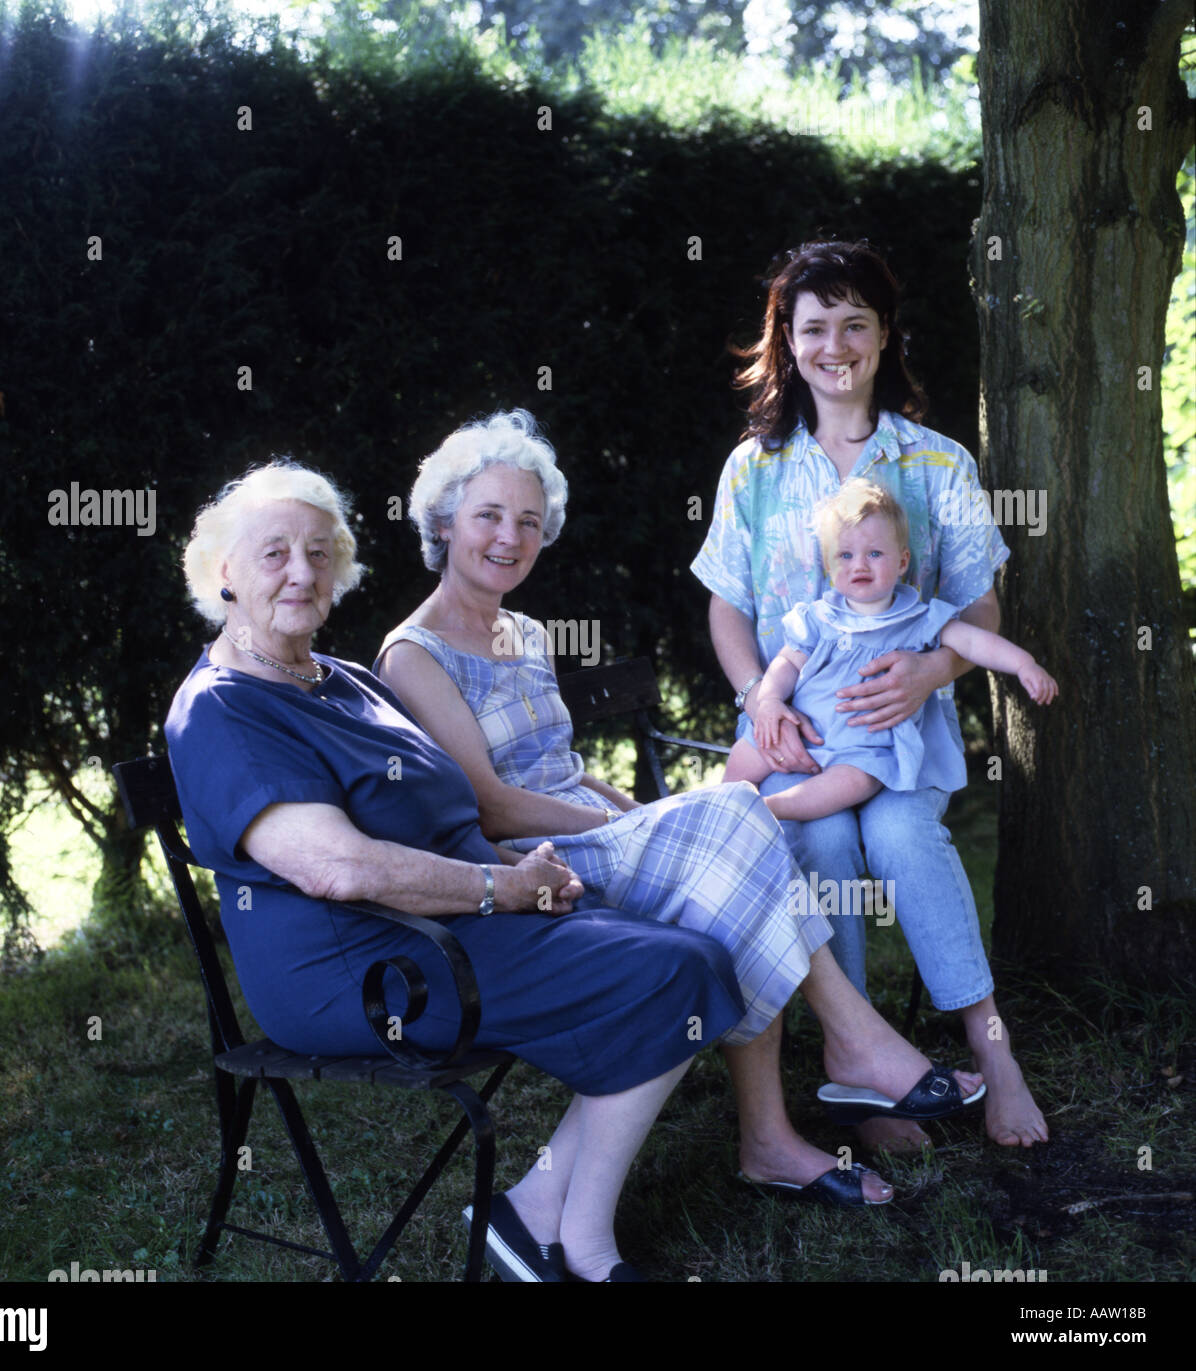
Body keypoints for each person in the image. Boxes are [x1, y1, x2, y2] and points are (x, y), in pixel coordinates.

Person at [376, 409, 984, 1210]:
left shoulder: (523, 631)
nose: (509, 536)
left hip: (587, 835)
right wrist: (627, 828)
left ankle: (781, 1127)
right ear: (445, 521)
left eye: (528, 520)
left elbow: (567, 769)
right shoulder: (412, 653)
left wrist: (639, 810)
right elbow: (488, 804)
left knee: (737, 838)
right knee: (739, 829)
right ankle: (849, 1051)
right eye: (488, 515)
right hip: (533, 867)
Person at [164, 459, 749, 1283]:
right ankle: (575, 1244)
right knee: (674, 970)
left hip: (452, 919)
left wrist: (517, 864)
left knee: (685, 949)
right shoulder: (224, 706)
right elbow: (335, 865)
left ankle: (548, 1225)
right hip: (364, 965)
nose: (302, 571)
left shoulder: (347, 681)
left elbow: (444, 816)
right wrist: (503, 888)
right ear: (223, 571)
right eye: (274, 554)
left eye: (320, 552)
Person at [691, 238, 1049, 1149]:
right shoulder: (753, 469)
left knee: (896, 831)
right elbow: (728, 612)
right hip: (793, 733)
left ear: (885, 336)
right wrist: (758, 703)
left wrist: (934, 669)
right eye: (815, 326)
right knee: (818, 833)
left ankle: (993, 1049)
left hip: (900, 735)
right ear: (789, 341)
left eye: (856, 323)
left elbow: (979, 606)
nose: (836, 344)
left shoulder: (936, 465)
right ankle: (866, 1074)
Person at [728, 478, 1058, 823]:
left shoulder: (918, 619)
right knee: (749, 749)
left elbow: (975, 641)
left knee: (857, 781)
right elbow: (786, 663)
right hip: (800, 729)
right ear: (829, 567)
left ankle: (770, 808)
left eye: (874, 553)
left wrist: (1024, 664)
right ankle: (716, 806)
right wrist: (769, 701)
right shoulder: (818, 617)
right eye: (845, 555)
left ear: (902, 562)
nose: (859, 565)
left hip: (863, 749)